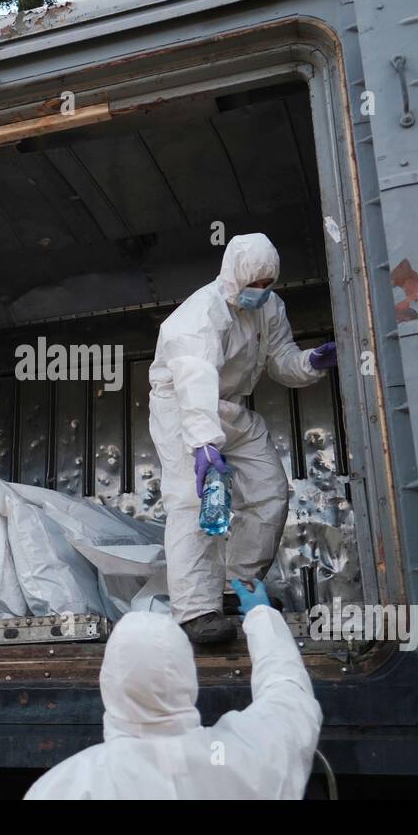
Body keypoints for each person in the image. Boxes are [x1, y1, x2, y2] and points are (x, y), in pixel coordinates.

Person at [148, 233, 337, 643]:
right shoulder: (200, 315)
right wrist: (203, 446)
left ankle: (238, 586)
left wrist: (311, 361)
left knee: (269, 490)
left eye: (268, 283)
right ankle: (196, 612)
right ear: (232, 275)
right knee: (192, 500)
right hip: (183, 406)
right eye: (253, 284)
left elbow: (281, 361)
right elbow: (194, 380)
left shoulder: (270, 306)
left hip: (230, 406)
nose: (261, 291)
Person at [23, 580, 322, 799]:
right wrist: (262, 617)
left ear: (109, 681)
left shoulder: (67, 787)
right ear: (187, 675)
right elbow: (288, 690)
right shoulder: (246, 756)